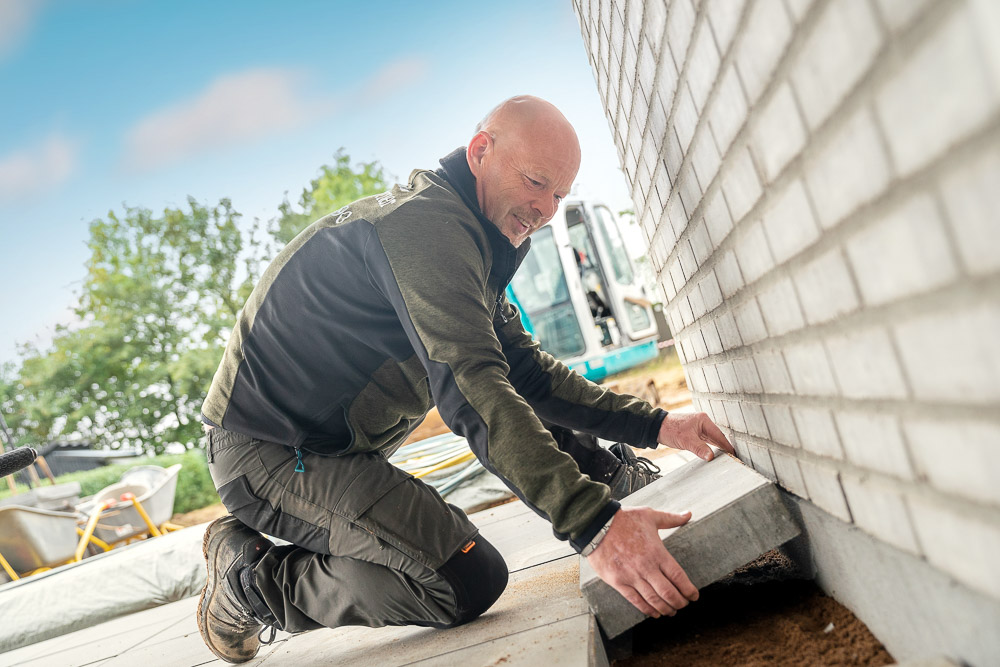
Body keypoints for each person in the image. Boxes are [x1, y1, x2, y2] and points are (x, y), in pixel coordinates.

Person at [196, 95, 734, 664]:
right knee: (462, 580)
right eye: (536, 182)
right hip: (270, 456)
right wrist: (593, 527)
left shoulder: (470, 232)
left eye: (559, 195)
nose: (546, 209)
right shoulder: (426, 233)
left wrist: (658, 424)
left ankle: (617, 484)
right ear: (481, 151)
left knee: (529, 409)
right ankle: (252, 585)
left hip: (338, 451)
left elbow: (525, 373)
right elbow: (473, 393)